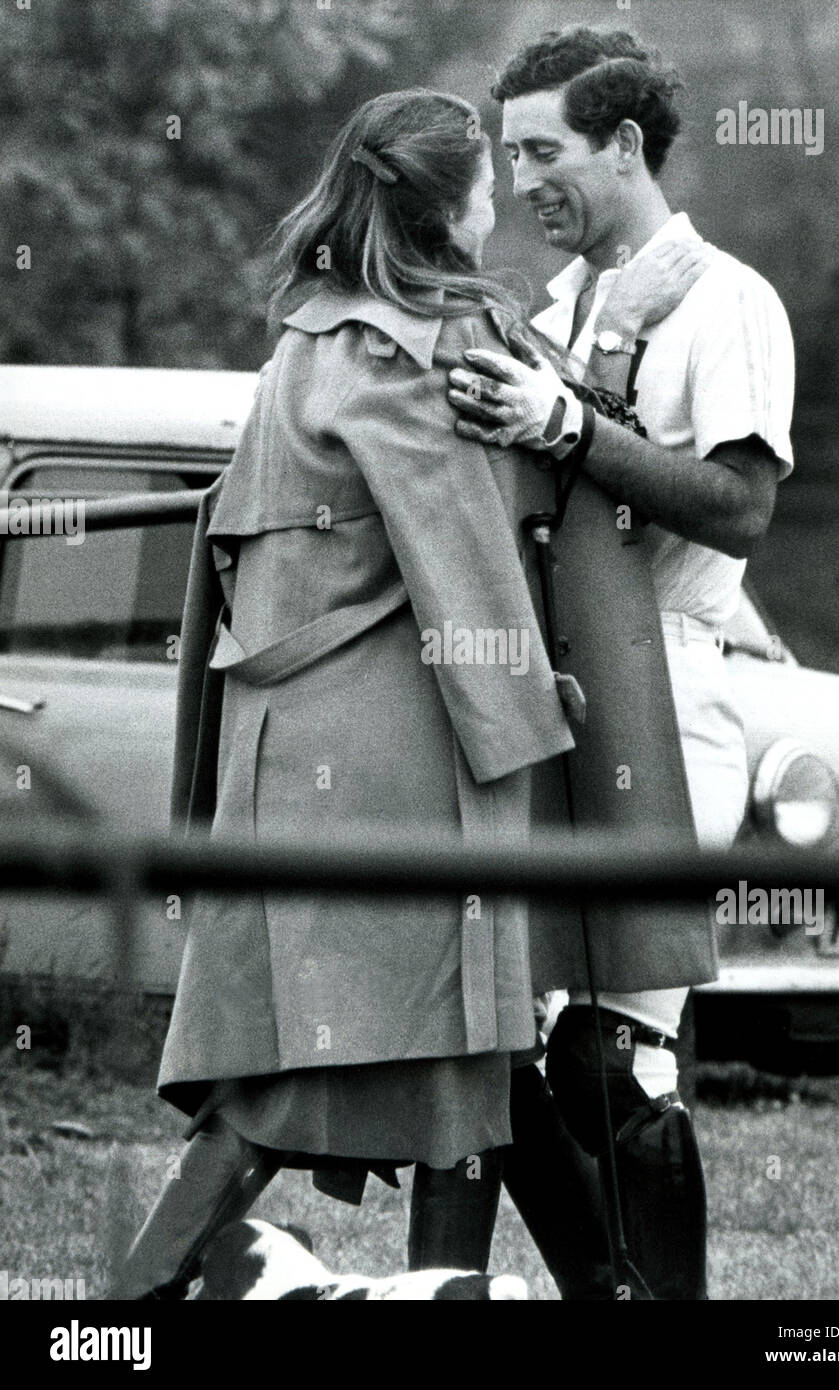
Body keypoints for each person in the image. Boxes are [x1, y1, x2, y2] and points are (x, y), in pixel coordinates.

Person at [108, 87, 589, 1301]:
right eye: (485, 180)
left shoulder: (304, 341)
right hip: (400, 758)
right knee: (354, 1063)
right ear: (440, 205)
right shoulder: (405, 352)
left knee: (447, 1062)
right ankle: (122, 1314)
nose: (499, 202)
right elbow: (460, 567)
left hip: (292, 750)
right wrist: (543, 710)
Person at [446, 26, 796, 1300]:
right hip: (562, 689)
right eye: (507, 152)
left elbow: (740, 506)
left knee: (615, 1053)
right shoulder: (570, 303)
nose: (523, 177)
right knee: (510, 1048)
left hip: (668, 677)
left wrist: (571, 429)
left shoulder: (725, 298)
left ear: (624, 146)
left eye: (544, 150)